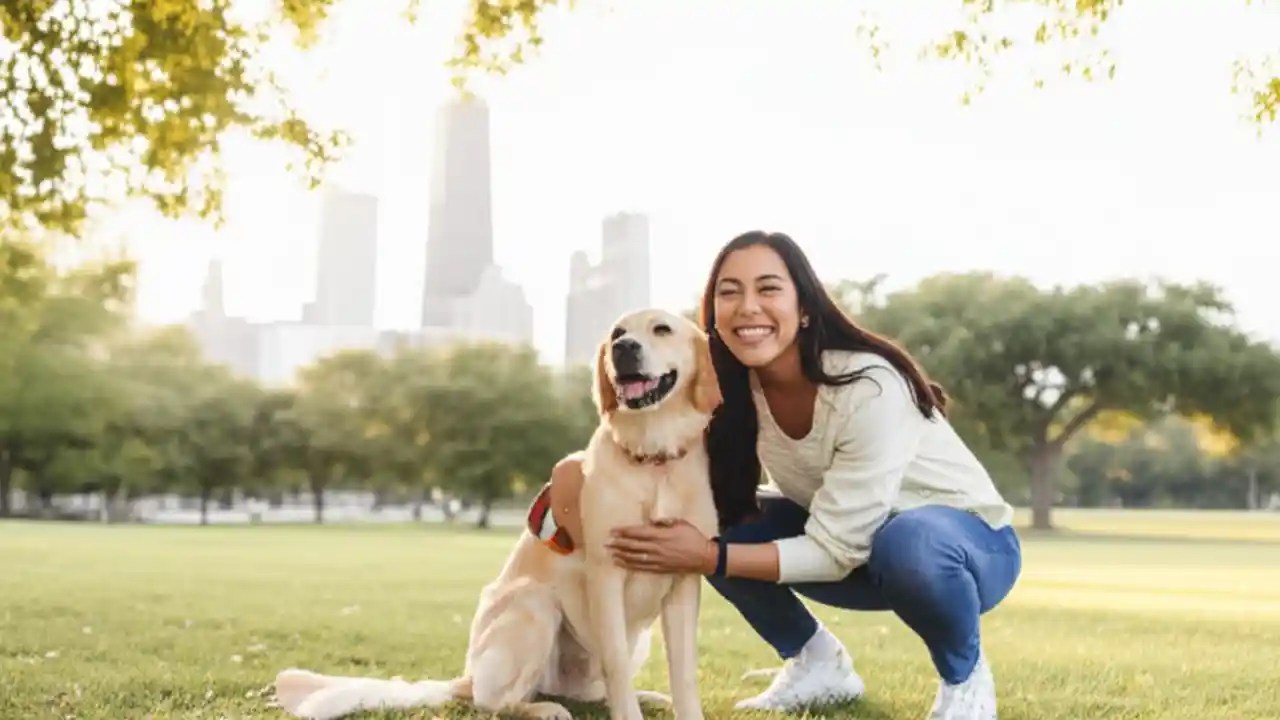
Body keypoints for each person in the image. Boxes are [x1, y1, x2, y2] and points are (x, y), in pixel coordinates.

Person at [539, 231, 1021, 720]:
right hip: (859, 547)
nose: (748, 307)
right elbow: (655, 450)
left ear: (805, 307)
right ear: (714, 314)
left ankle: (965, 678)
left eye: (768, 289)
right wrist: (573, 473)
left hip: (966, 551)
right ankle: (816, 661)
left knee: (909, 540)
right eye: (730, 292)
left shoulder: (870, 384)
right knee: (721, 514)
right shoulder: (728, 389)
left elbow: (838, 547)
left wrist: (707, 554)